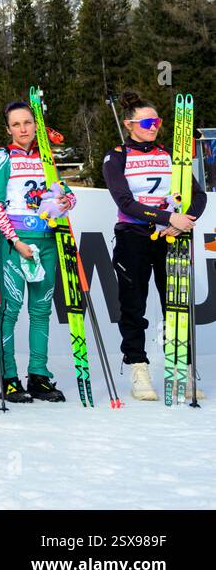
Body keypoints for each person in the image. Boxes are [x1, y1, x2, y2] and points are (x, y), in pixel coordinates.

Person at [101, 91, 206, 401]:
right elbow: (125, 201)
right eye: (147, 121)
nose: (154, 126)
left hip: (170, 238)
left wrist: (181, 220)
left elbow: (198, 196)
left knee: (175, 305)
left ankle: (181, 369)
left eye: (157, 121)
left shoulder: (169, 155)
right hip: (134, 236)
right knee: (133, 304)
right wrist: (168, 216)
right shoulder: (116, 156)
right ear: (130, 124)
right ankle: (137, 367)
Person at [0, 101, 71, 402]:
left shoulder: (47, 157)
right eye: (16, 124)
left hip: (47, 239)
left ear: (36, 125)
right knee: (11, 309)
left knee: (42, 309)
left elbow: (64, 193)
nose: (23, 129)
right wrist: (15, 240)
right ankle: (9, 378)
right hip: (16, 243)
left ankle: (38, 376)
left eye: (27, 123)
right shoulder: (1, 157)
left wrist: (65, 201)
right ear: (8, 129)